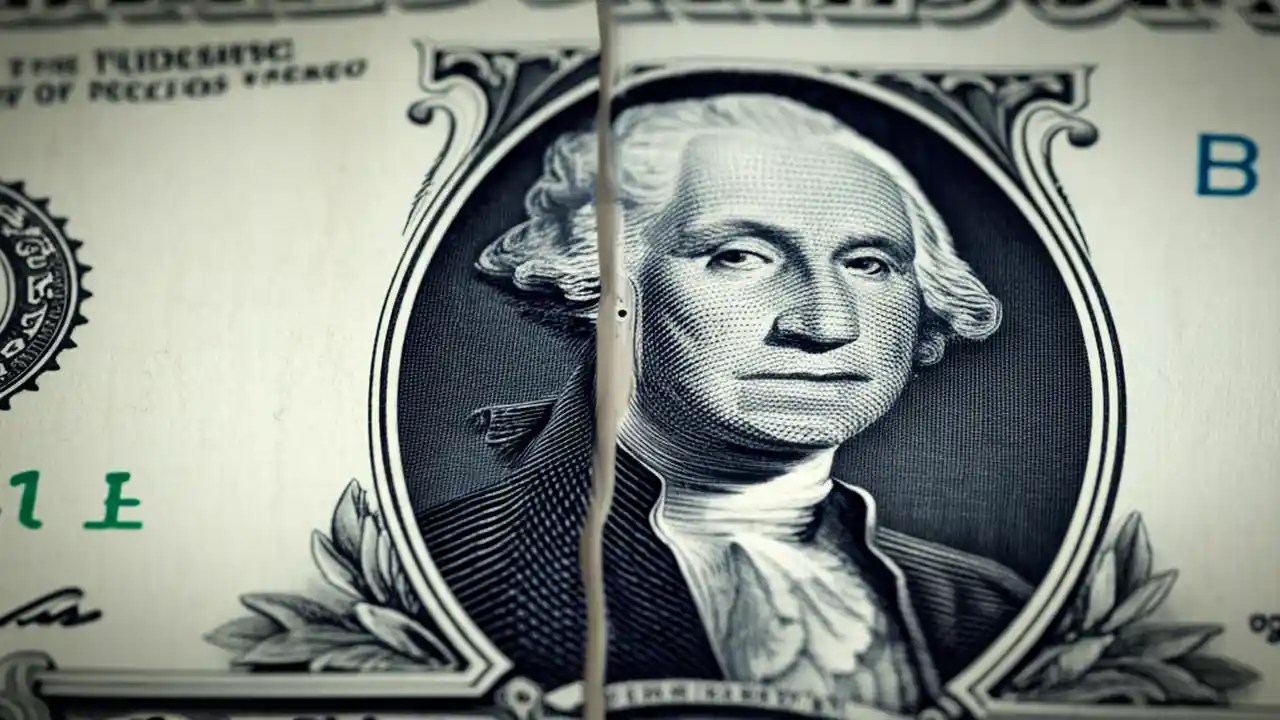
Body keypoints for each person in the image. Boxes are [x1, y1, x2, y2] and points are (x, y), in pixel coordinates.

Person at [419, 93, 1033, 716]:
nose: (826, 322)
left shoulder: (983, 606)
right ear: (610, 289)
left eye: (869, 264)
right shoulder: (439, 581)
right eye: (738, 256)